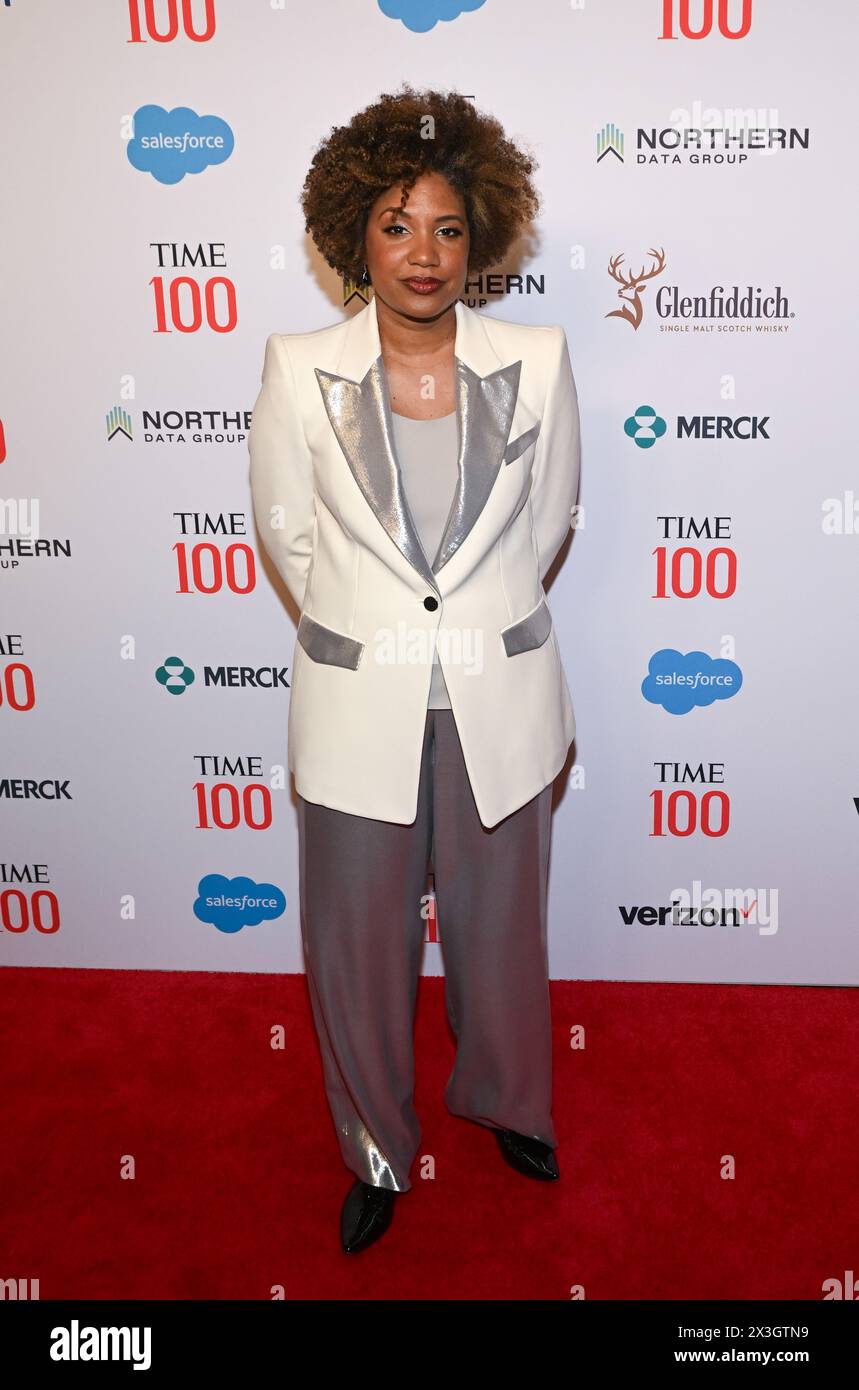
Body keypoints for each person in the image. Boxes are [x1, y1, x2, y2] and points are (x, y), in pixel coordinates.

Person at [248, 84, 581, 1254]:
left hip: (498, 688)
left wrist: (465, 622)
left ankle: (505, 1097)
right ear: (355, 237)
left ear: (478, 233)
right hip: (358, 695)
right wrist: (378, 623)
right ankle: (377, 1146)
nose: (423, 253)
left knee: (502, 927)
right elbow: (291, 534)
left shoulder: (536, 359)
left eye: (445, 226)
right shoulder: (298, 366)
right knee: (355, 937)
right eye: (395, 226)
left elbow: (544, 526)